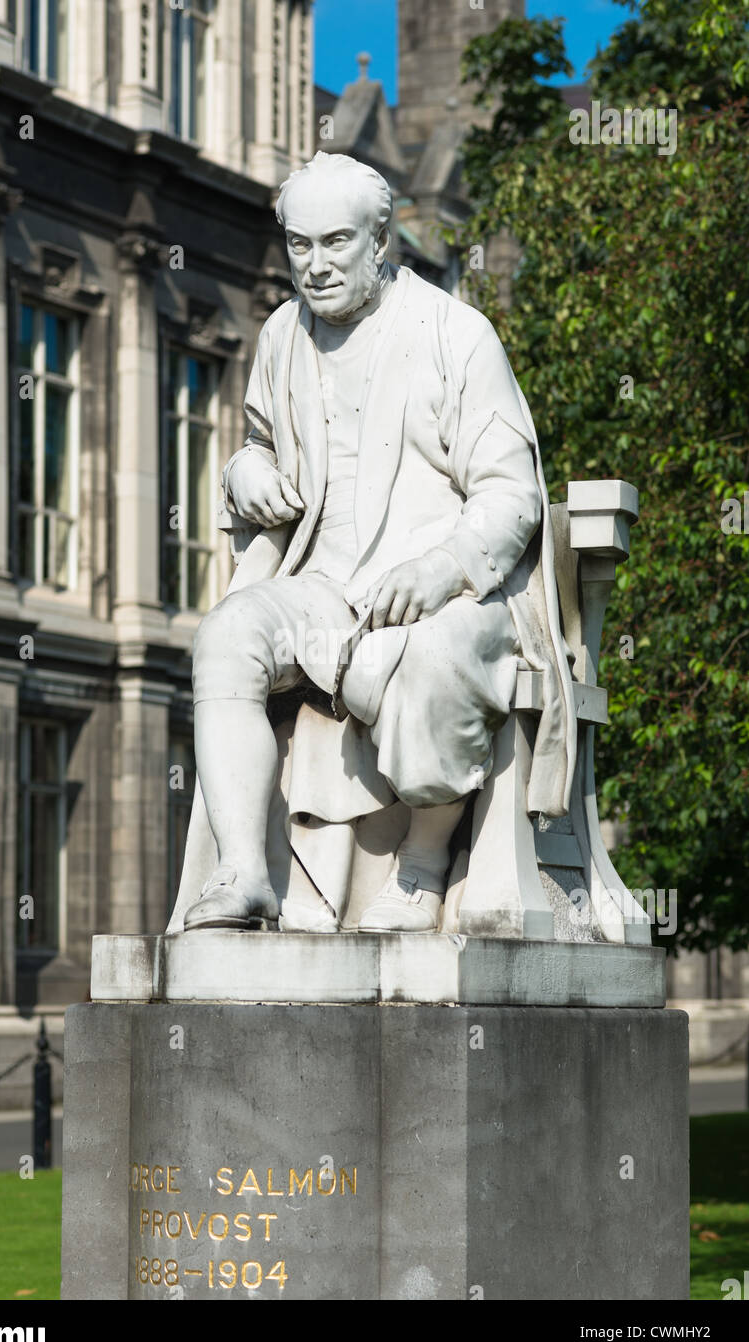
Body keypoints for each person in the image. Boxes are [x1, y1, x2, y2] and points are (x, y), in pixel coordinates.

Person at [171, 152, 574, 934]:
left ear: (381, 240)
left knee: (434, 659)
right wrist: (243, 471)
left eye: (335, 243)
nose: (315, 267)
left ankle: (422, 865)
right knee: (224, 637)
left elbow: (508, 491)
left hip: (446, 587)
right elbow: (259, 442)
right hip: (320, 584)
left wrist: (441, 567)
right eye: (298, 246)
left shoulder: (456, 332)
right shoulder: (282, 334)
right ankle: (244, 873)